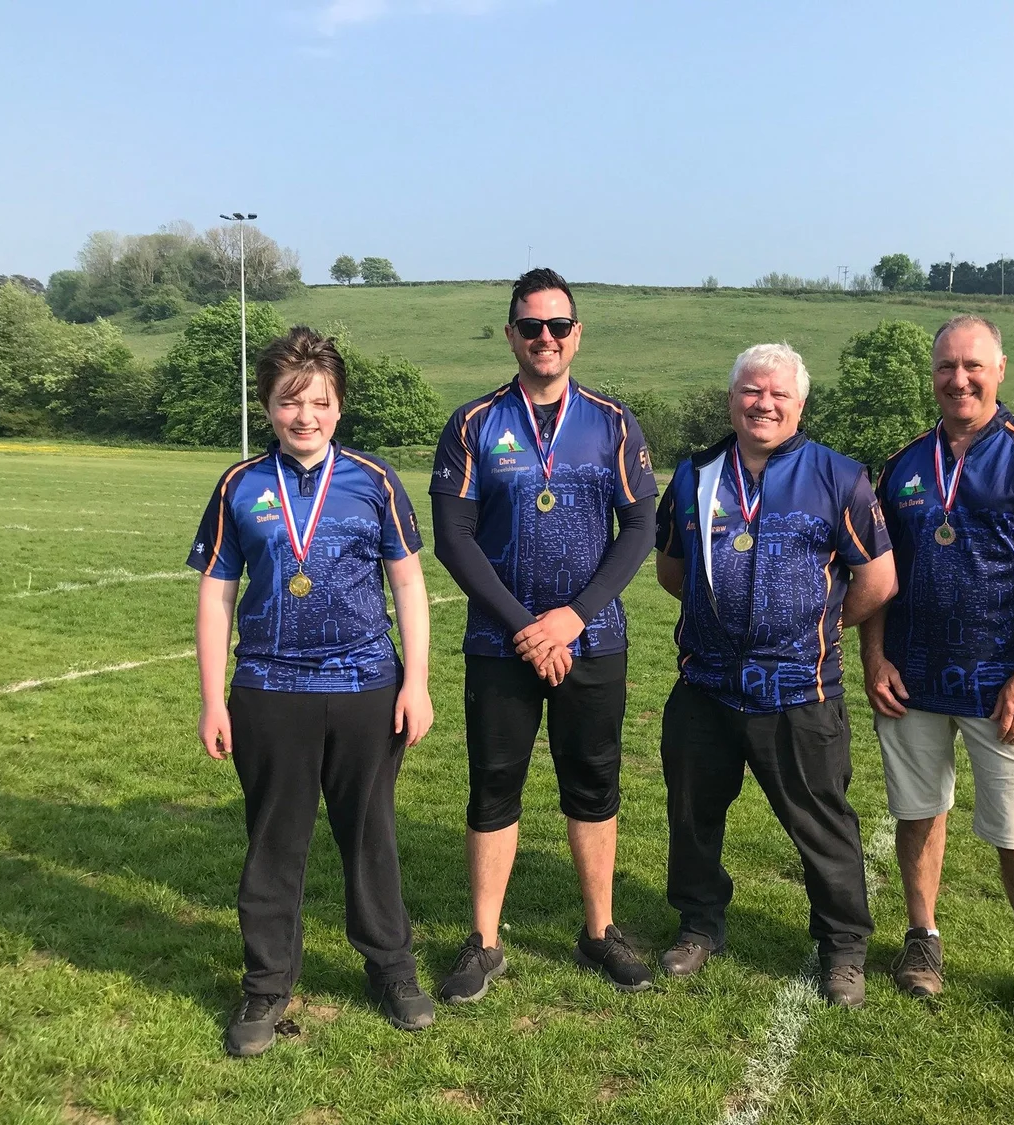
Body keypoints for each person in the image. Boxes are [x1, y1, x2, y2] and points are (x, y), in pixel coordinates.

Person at [188, 327, 435, 1056]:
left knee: (371, 834)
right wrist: (212, 697)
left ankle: (391, 969)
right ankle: (266, 985)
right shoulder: (240, 484)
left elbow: (410, 583)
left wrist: (415, 682)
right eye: (290, 402)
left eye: (320, 402)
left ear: (339, 406)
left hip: (365, 685)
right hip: (268, 689)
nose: (306, 417)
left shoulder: (375, 479)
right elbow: (215, 593)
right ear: (267, 405)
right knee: (274, 843)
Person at [429, 268, 658, 1001]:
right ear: (511, 335)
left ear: (577, 333)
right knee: (494, 783)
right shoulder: (472, 424)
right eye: (531, 327)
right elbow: (453, 537)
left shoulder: (615, 423)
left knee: (593, 780)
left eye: (559, 326)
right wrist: (526, 624)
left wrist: (574, 614)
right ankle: (485, 941)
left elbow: (641, 526)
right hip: (503, 642)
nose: (546, 339)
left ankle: (598, 931)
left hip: (593, 637)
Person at [861, 314, 1014, 1040]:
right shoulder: (901, 463)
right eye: (946, 367)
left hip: (1002, 686)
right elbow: (872, 570)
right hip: (913, 679)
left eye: (973, 365)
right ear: (931, 374)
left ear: (1000, 369)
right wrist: (874, 655)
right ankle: (922, 935)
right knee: (918, 815)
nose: (959, 378)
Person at [653, 342, 897, 1008]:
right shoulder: (694, 475)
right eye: (751, 391)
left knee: (821, 823)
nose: (763, 403)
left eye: (778, 393)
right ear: (732, 399)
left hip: (799, 689)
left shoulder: (839, 476)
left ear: (800, 403)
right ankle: (700, 922)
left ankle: (843, 945)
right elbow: (672, 572)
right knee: (693, 815)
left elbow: (878, 580)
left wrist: (808, 628)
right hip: (705, 686)